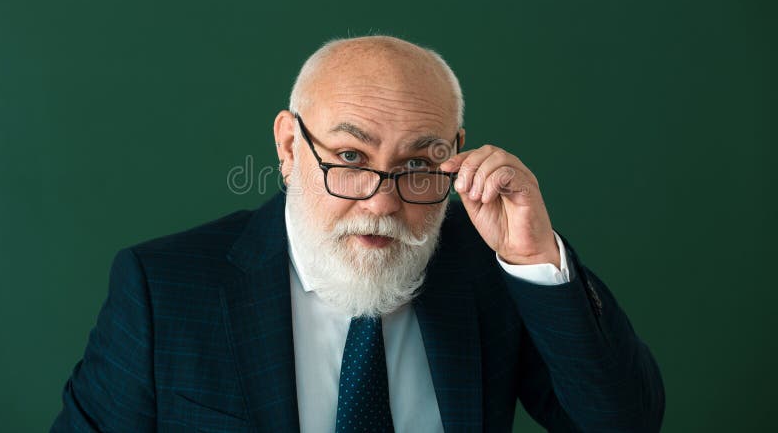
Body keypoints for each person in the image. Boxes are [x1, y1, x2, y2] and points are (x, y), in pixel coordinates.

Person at [52, 34, 665, 432]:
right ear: (290, 147)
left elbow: (623, 423)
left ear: (454, 157)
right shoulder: (162, 289)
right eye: (349, 157)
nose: (382, 201)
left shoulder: (488, 274)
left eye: (419, 166)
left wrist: (534, 259)